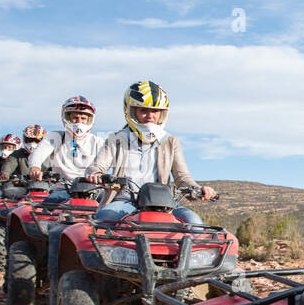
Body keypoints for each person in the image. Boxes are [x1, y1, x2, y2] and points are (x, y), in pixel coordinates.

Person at [88, 80, 215, 224]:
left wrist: (197, 189)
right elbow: (96, 167)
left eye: (155, 111)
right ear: (131, 111)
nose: (150, 115)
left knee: (194, 222)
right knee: (106, 218)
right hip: (125, 201)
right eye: (143, 110)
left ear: (162, 113)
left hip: (162, 204)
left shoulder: (170, 141)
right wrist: (95, 175)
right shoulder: (116, 139)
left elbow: (182, 177)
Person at [28, 96, 107, 206]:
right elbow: (38, 153)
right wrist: (35, 167)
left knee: (110, 212)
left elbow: (111, 159)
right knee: (46, 208)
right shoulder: (56, 137)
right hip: (64, 189)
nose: (79, 122)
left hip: (93, 191)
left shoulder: (98, 141)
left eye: (83, 118)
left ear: (90, 120)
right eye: (75, 118)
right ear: (66, 118)